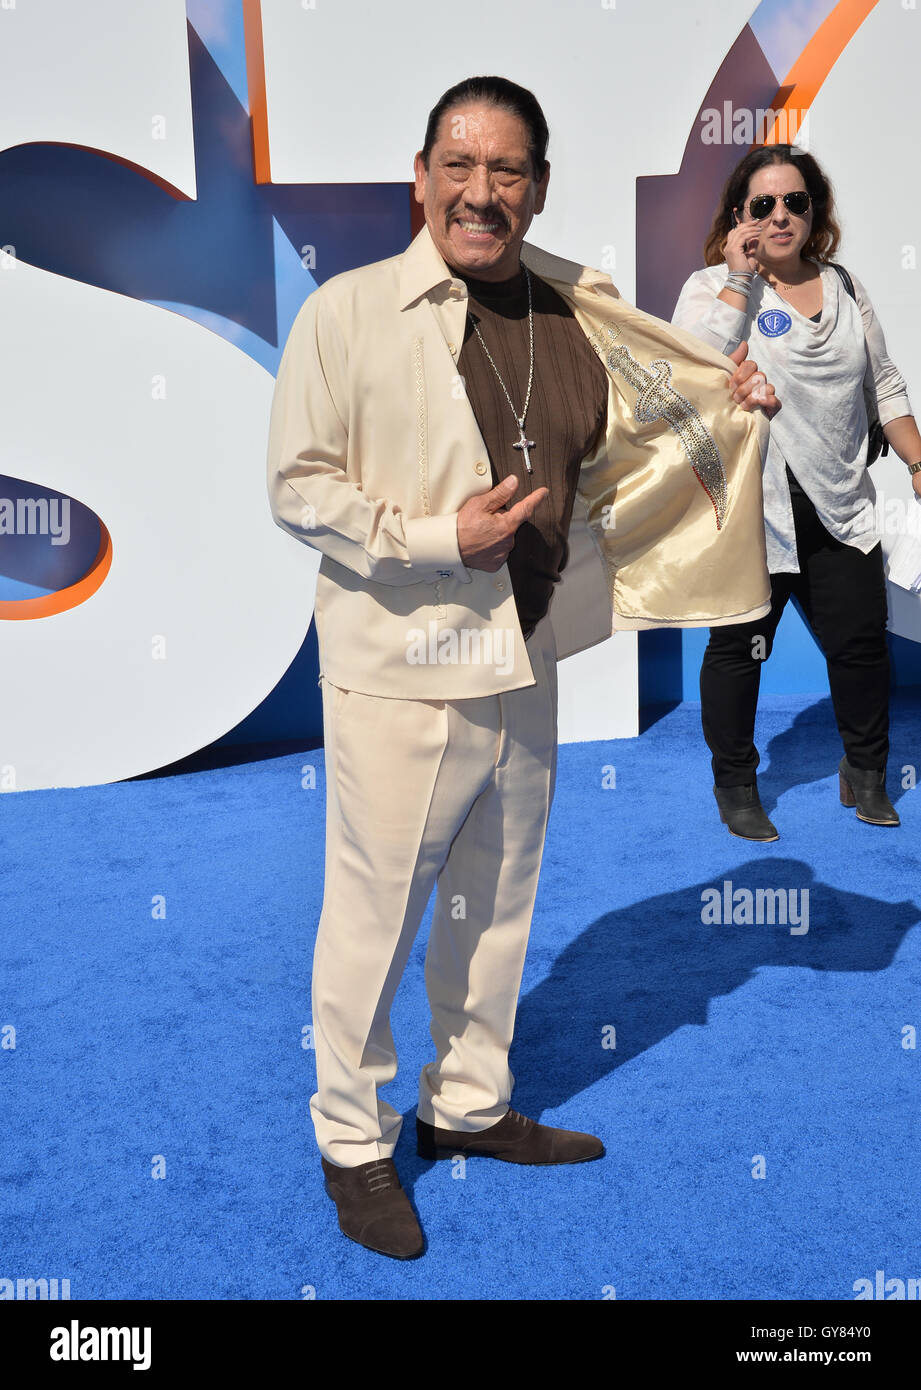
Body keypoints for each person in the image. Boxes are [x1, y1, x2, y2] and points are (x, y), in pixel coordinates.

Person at [266, 76, 778, 1260]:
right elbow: (297, 485)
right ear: (420, 176)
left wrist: (736, 399)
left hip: (525, 649)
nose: (480, 192)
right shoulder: (348, 312)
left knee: (496, 901)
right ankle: (352, 1140)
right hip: (401, 664)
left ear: (538, 186)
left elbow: (650, 440)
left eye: (506, 171)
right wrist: (437, 536)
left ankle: (467, 1103)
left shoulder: (579, 307)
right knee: (374, 921)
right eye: (459, 165)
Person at [672, 143, 921, 841]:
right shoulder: (711, 287)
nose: (780, 215)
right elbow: (686, 372)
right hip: (756, 511)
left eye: (795, 202)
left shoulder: (844, 286)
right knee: (739, 649)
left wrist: (915, 460)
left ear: (814, 212)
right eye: (762, 204)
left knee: (861, 648)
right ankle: (735, 785)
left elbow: (884, 382)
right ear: (738, 217)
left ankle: (865, 772)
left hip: (841, 501)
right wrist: (738, 277)